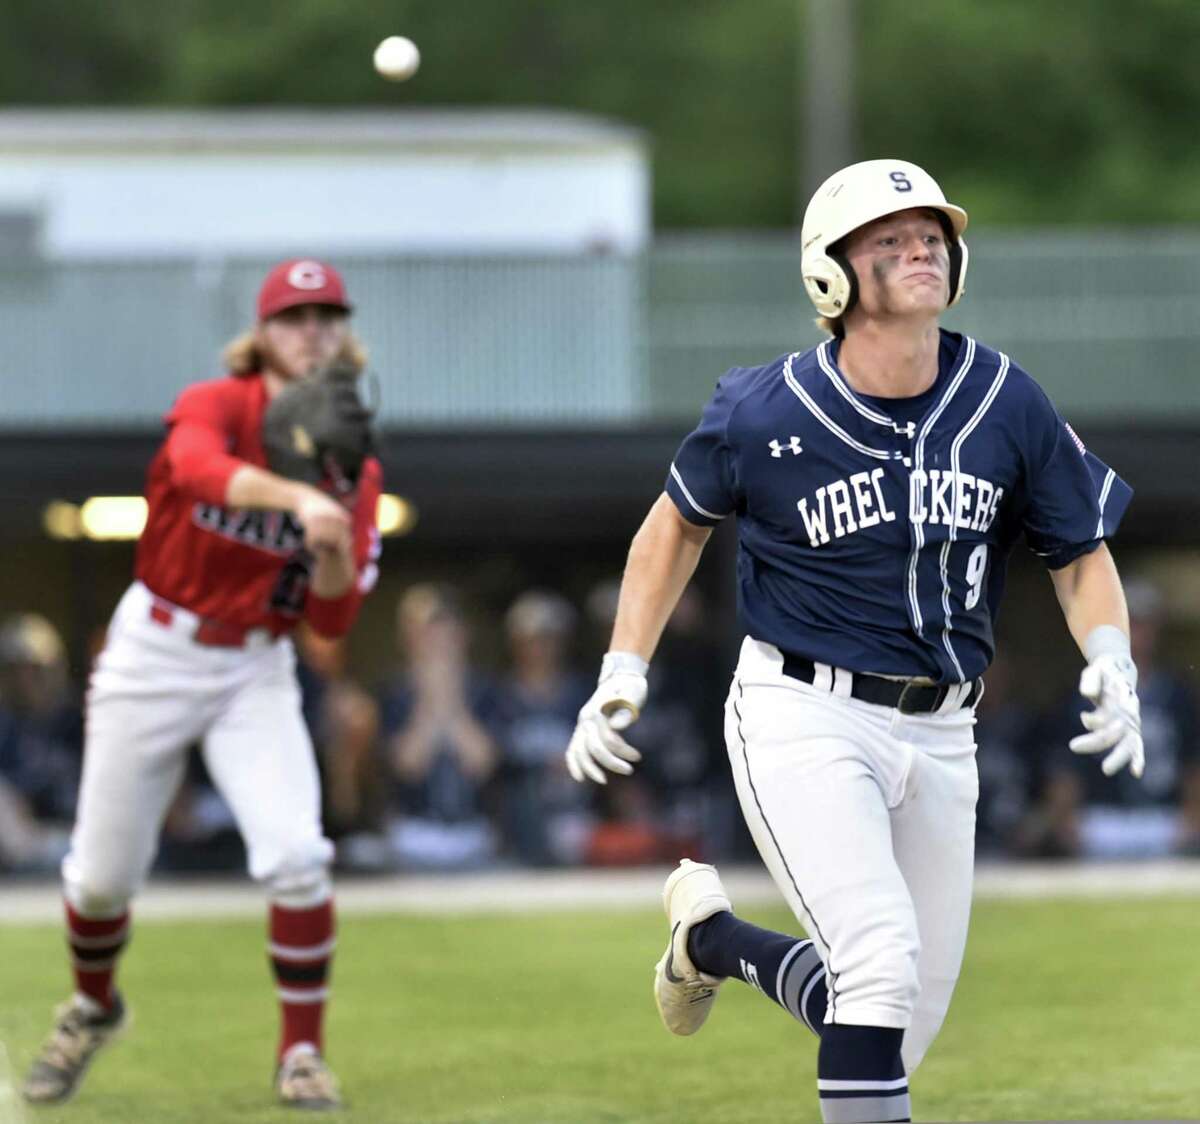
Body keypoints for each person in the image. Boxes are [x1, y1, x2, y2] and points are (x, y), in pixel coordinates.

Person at [565, 160, 1143, 1124]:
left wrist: (1111, 656)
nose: (921, 250)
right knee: (876, 968)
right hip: (804, 709)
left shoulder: (1008, 397)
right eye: (890, 240)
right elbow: (673, 528)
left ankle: (711, 942)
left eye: (932, 238)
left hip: (946, 730)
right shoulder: (765, 406)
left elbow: (1078, 552)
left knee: (890, 1020)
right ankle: (720, 946)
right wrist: (622, 667)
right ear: (830, 275)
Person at [23, 258, 382, 1111]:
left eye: (326, 317)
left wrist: (330, 541)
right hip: (154, 647)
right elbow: (190, 468)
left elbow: (330, 623)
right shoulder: (219, 403)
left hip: (253, 668)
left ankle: (300, 1054)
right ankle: (92, 1006)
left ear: (344, 335)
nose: (311, 332)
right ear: (260, 336)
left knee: (297, 855)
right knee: (100, 880)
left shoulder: (353, 466)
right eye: (293, 317)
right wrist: (294, 499)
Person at [1023, 578, 1199, 858]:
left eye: (1144, 623)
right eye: (1130, 622)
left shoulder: (1178, 695)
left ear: (1157, 628)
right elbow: (1064, 769)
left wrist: (1192, 818)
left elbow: (1193, 765)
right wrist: (1065, 821)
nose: (1137, 632)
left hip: (1164, 820)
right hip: (1099, 821)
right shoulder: (1082, 692)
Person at [375, 584, 502, 871]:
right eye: (427, 636)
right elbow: (408, 764)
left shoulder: (484, 690)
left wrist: (452, 701)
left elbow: (481, 763)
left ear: (461, 636)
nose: (437, 644)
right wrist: (430, 699)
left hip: (473, 834)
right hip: (413, 834)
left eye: (445, 633)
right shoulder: (394, 692)